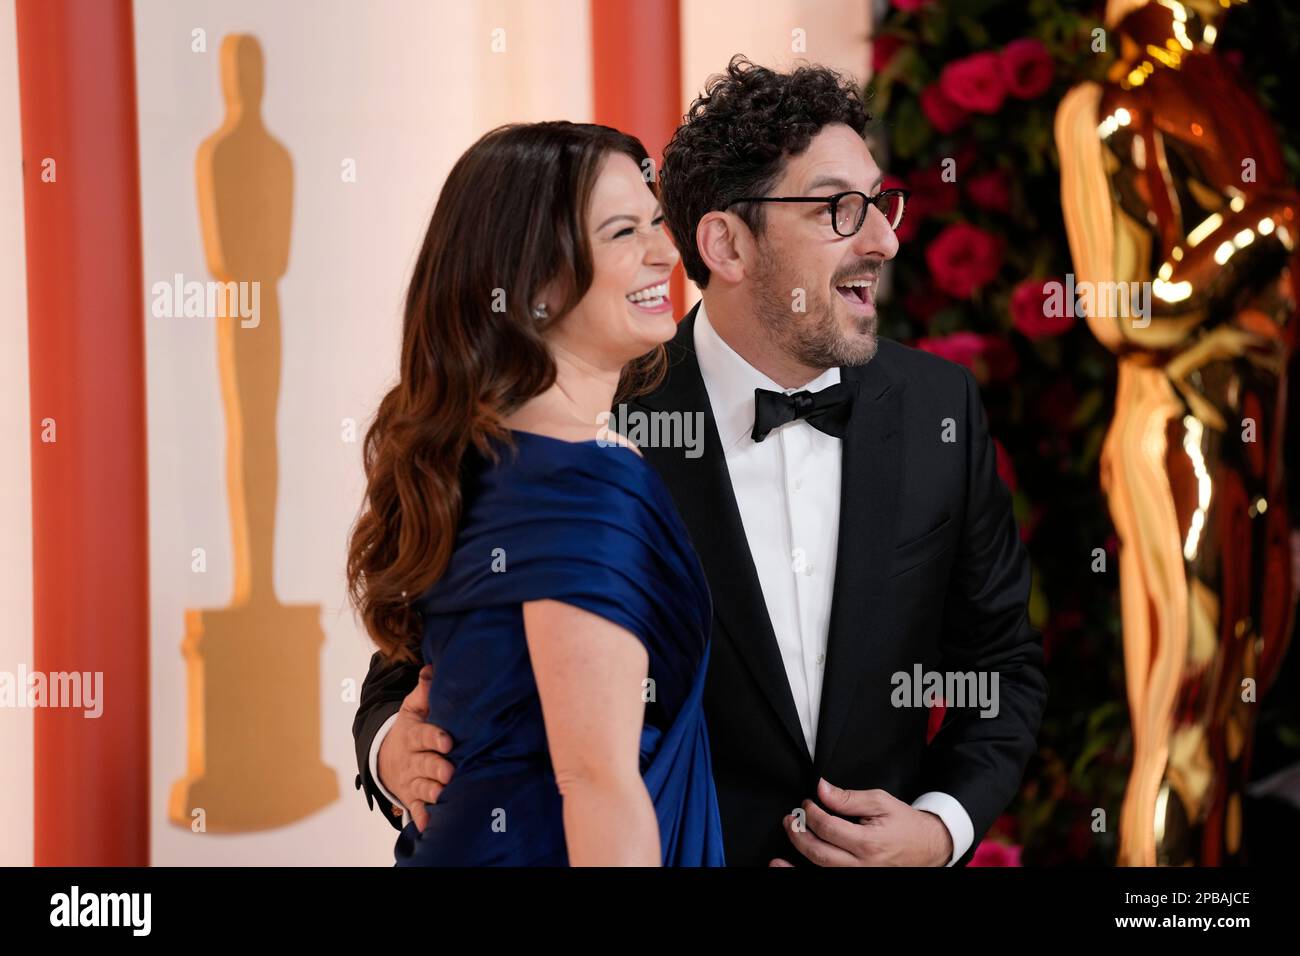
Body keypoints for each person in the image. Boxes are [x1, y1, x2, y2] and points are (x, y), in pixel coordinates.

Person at [354, 56, 1048, 867]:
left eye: (880, 202)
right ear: (727, 243)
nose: (884, 240)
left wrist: (938, 830)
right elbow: (422, 657)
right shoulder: (585, 422)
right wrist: (394, 748)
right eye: (838, 209)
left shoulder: (939, 408)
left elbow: (1001, 666)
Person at [346, 120, 725, 865]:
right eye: (623, 232)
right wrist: (389, 746)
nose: (665, 252)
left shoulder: (477, 455)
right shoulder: (584, 477)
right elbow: (596, 785)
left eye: (656, 222)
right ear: (536, 282)